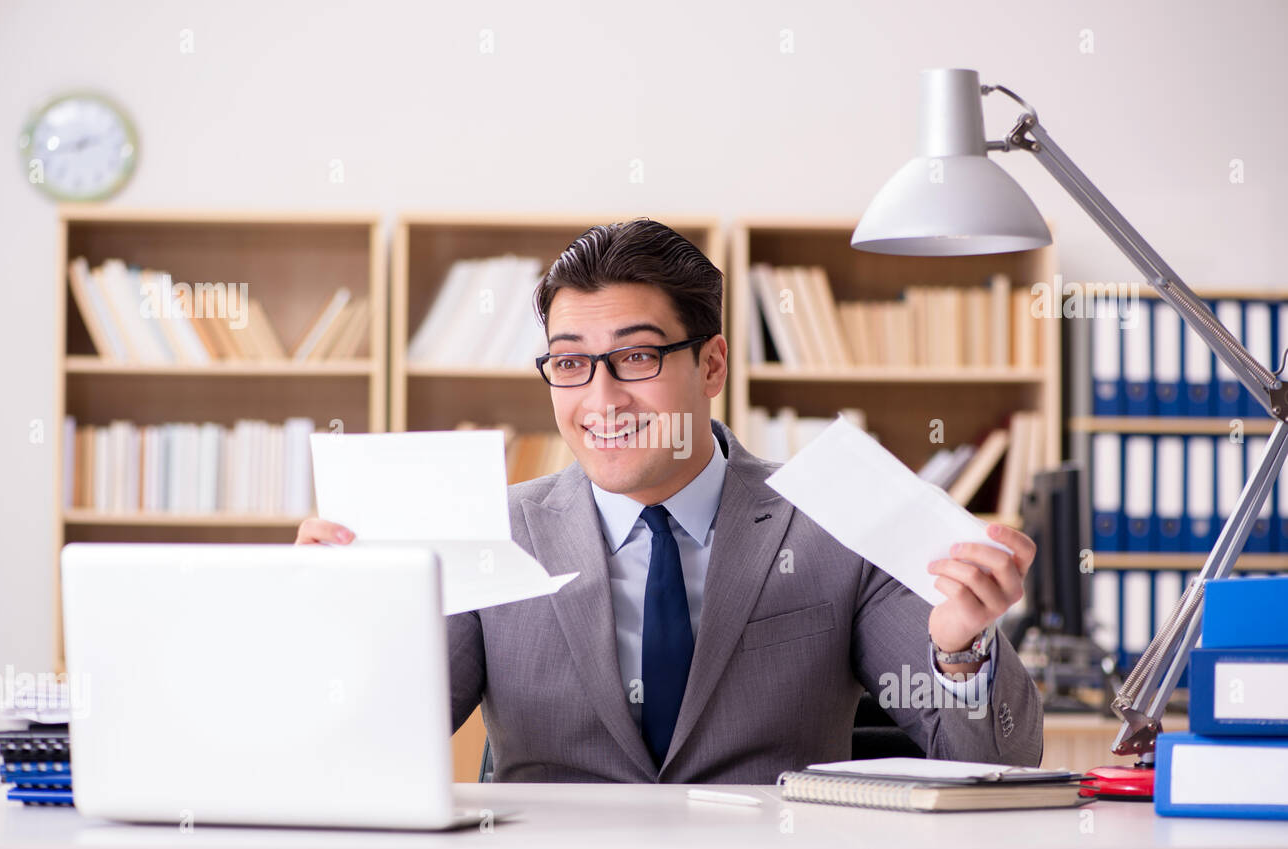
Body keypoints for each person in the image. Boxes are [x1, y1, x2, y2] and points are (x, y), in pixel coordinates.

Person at [297, 218, 1043, 783]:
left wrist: (960, 650)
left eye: (637, 356)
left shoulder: (828, 524)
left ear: (711, 362)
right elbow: (365, 756)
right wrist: (334, 629)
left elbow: (998, 763)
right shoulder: (493, 530)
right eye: (569, 362)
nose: (602, 396)